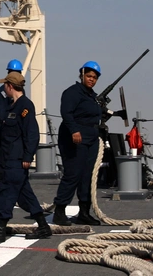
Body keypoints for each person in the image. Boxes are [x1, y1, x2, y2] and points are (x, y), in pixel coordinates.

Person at [0, 69, 50, 242]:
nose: (4, 89)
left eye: (5, 85)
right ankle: (43, 226)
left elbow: (31, 134)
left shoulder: (25, 106)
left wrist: (27, 156)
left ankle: (0, 228)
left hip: (15, 159)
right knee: (24, 194)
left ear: (10, 86)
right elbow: (3, 130)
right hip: (5, 157)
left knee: (5, 191)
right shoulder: (12, 106)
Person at [51, 61, 103, 227]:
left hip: (91, 139)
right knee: (73, 174)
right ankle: (59, 211)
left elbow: (92, 115)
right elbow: (66, 113)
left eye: (94, 77)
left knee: (86, 176)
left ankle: (84, 213)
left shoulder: (92, 96)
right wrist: (74, 130)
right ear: (82, 75)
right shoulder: (72, 93)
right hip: (75, 139)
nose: (91, 80)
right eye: (89, 76)